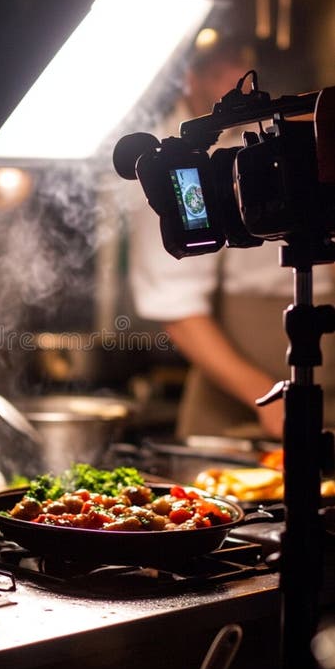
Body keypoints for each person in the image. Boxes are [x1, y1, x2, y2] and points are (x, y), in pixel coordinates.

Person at [127, 35, 335, 440]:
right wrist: (267, 396)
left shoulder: (279, 143)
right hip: (239, 404)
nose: (235, 76)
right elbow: (179, 311)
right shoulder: (177, 168)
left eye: (240, 62)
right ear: (189, 78)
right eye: (219, 67)